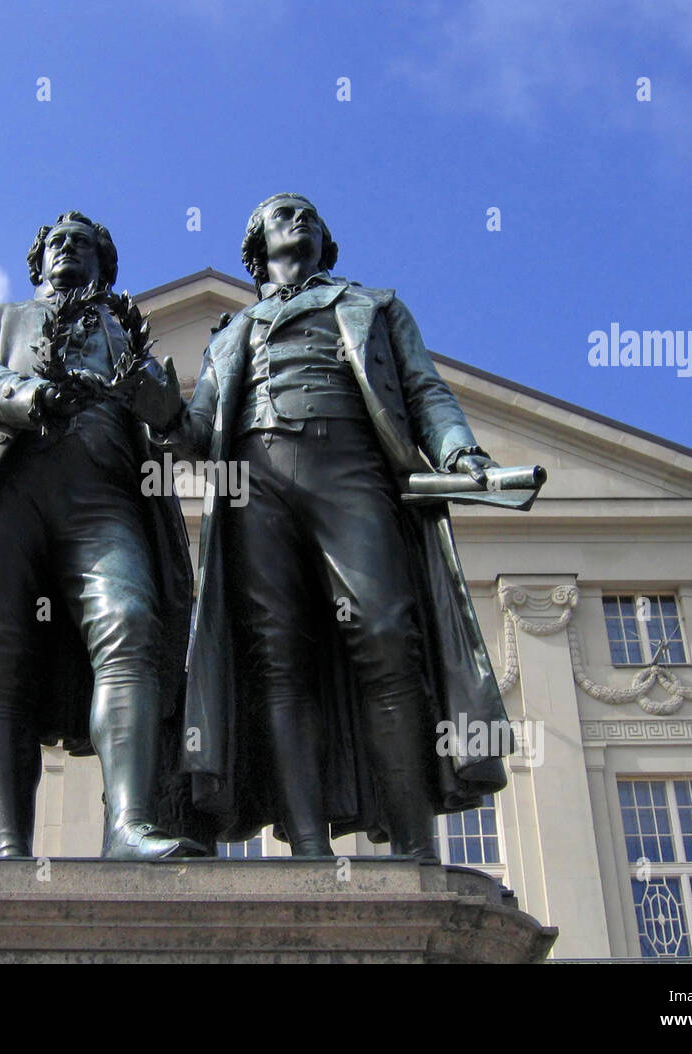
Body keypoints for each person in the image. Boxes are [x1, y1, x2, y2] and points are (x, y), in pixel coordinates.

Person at [130, 193, 512, 858]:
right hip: (255, 489)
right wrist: (163, 414)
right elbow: (196, 433)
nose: (299, 220)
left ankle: (415, 846)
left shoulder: (375, 306)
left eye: (308, 214)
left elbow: (425, 391)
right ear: (256, 248)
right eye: (282, 214)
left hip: (352, 471)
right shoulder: (232, 332)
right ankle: (308, 850)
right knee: (279, 661)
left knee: (387, 637)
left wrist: (458, 450)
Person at [0, 211, 203, 860]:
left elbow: (172, 425)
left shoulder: (126, 335)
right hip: (8, 489)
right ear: (39, 262)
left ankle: (128, 828)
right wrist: (23, 394)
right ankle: (10, 846)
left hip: (103, 494)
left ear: (104, 264)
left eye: (83, 244)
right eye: (57, 243)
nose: (68, 250)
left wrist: (153, 393)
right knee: (2, 661)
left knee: (131, 623)